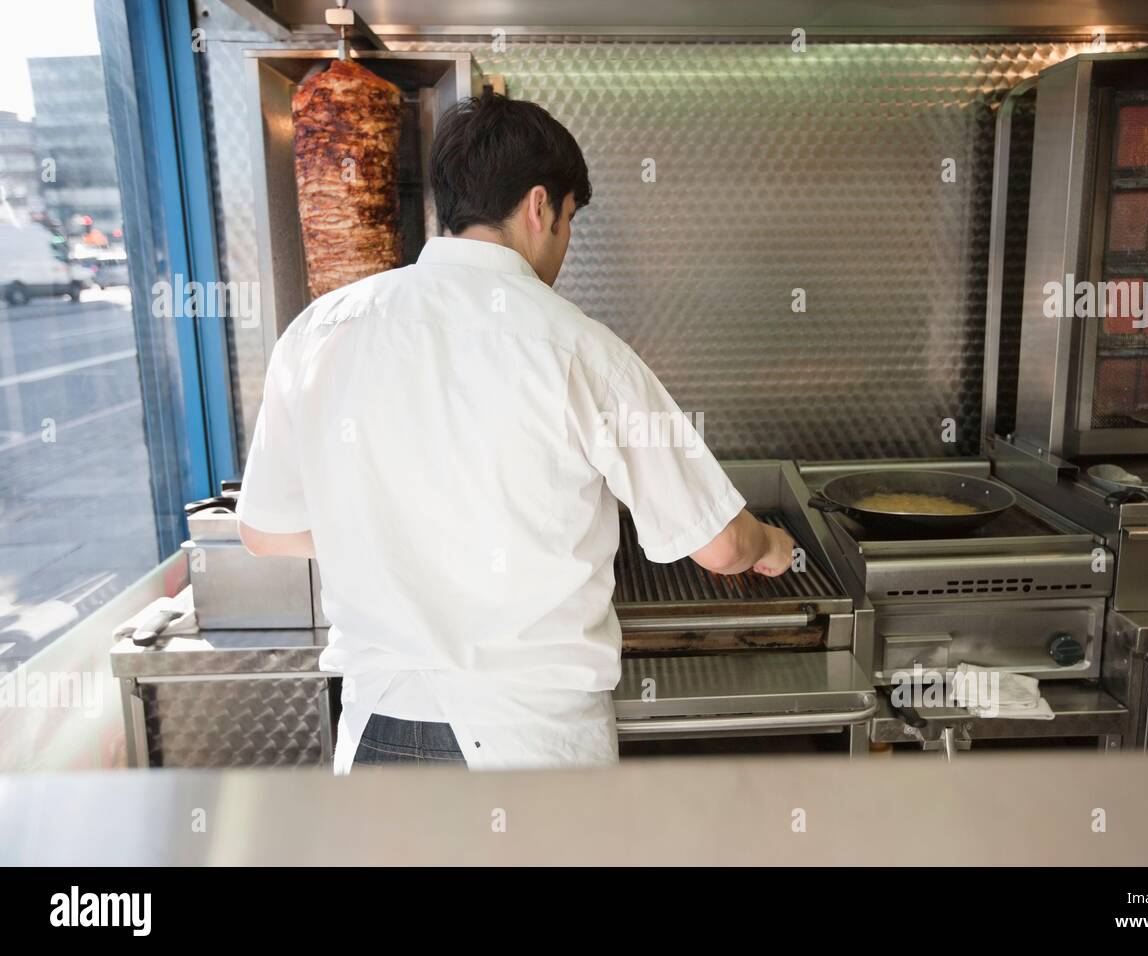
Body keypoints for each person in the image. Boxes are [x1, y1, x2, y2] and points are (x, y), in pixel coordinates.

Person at [235, 93, 795, 774]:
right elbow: (721, 543)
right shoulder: (578, 348)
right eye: (568, 221)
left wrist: (397, 532)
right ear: (540, 207)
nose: (562, 244)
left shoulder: (320, 332)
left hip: (375, 737)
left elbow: (264, 531)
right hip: (530, 745)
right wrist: (770, 544)